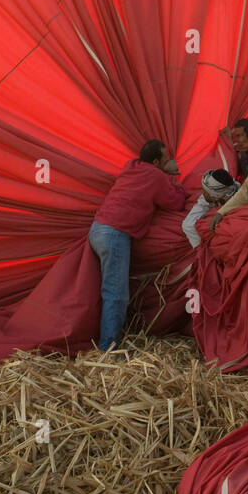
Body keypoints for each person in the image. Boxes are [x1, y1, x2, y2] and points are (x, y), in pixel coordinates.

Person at [88, 140, 184, 351]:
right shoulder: (156, 175)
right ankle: (109, 350)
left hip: (97, 229)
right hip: (115, 234)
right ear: (157, 161)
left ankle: (105, 341)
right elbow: (175, 203)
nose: (169, 161)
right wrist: (174, 178)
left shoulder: (131, 166)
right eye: (166, 159)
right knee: (116, 295)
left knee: (107, 291)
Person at [181, 169, 239, 247]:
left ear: (212, 194)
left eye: (204, 191)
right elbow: (188, 225)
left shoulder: (238, 201)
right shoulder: (211, 197)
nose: (202, 192)